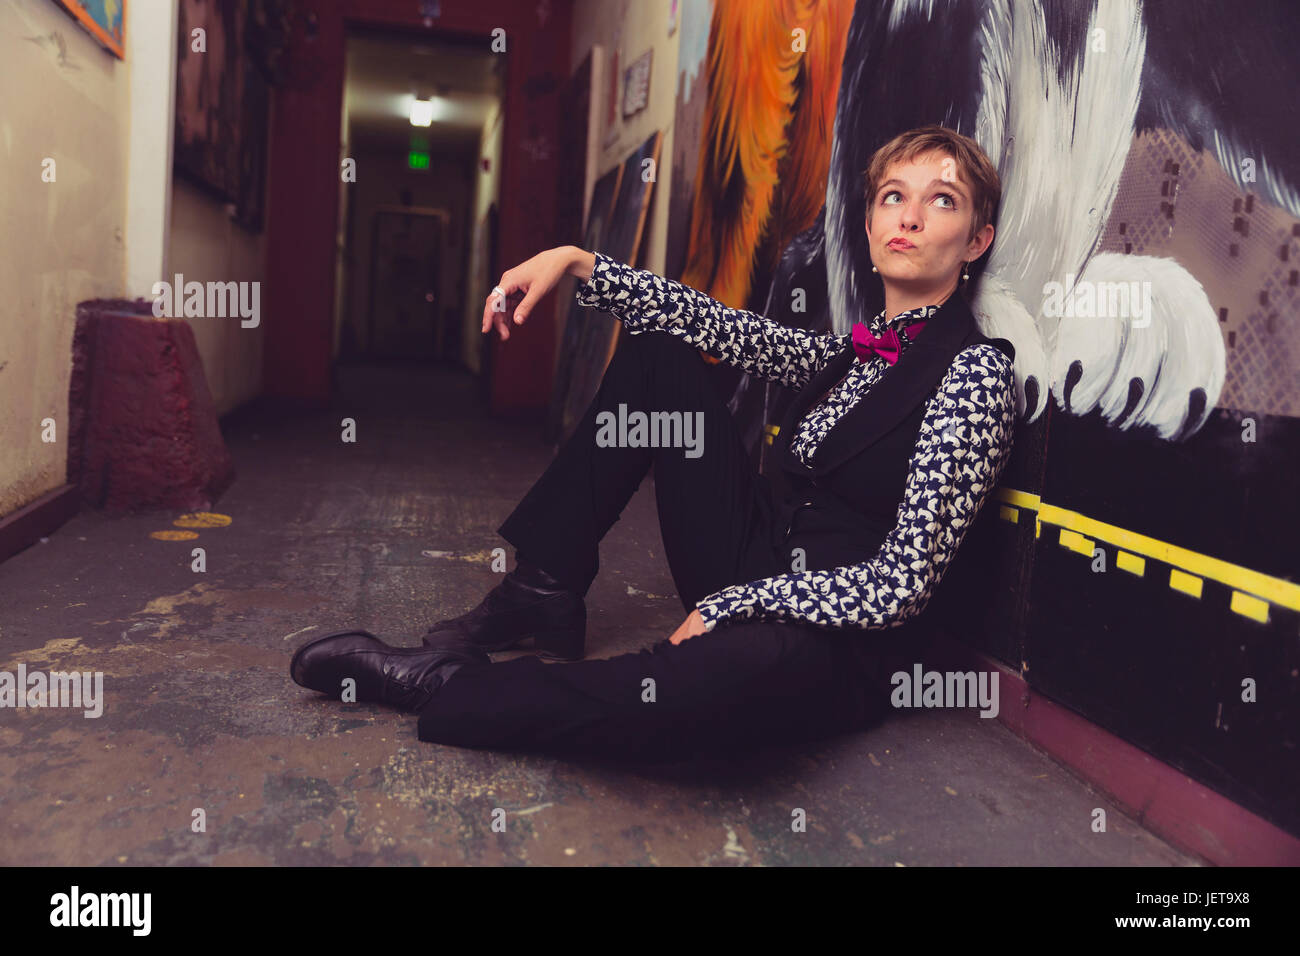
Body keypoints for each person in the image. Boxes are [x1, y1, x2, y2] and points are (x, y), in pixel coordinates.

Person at [291, 125, 1018, 765]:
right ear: (868, 222)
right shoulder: (846, 353)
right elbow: (715, 325)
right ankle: (543, 588)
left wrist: (741, 603)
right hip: (753, 561)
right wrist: (580, 262)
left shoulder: (973, 374)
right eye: (893, 196)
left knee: (703, 696)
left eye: (943, 201)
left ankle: (442, 684)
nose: (911, 216)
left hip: (835, 629)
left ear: (976, 240)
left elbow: (902, 584)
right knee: (662, 354)